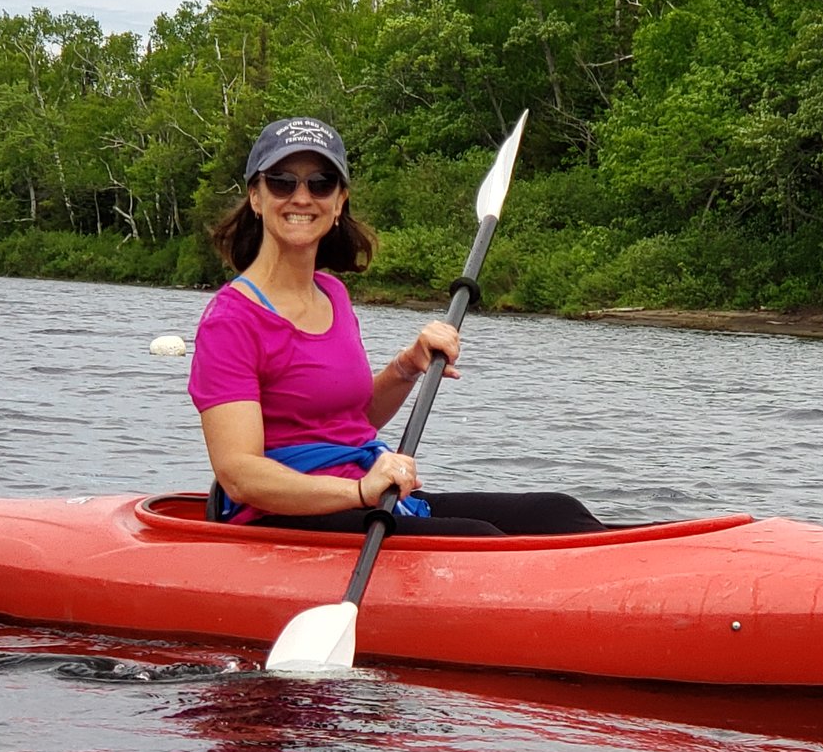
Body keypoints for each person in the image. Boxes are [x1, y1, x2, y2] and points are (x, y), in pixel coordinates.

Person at [188, 116, 606, 538]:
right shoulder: (230, 320)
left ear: (339, 201)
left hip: (364, 494)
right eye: (282, 182)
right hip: (281, 518)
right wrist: (358, 491)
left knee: (557, 512)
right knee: (479, 538)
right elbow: (239, 474)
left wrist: (406, 366)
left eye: (320, 183)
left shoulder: (332, 294)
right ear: (256, 197)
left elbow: (353, 420)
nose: (302, 197)